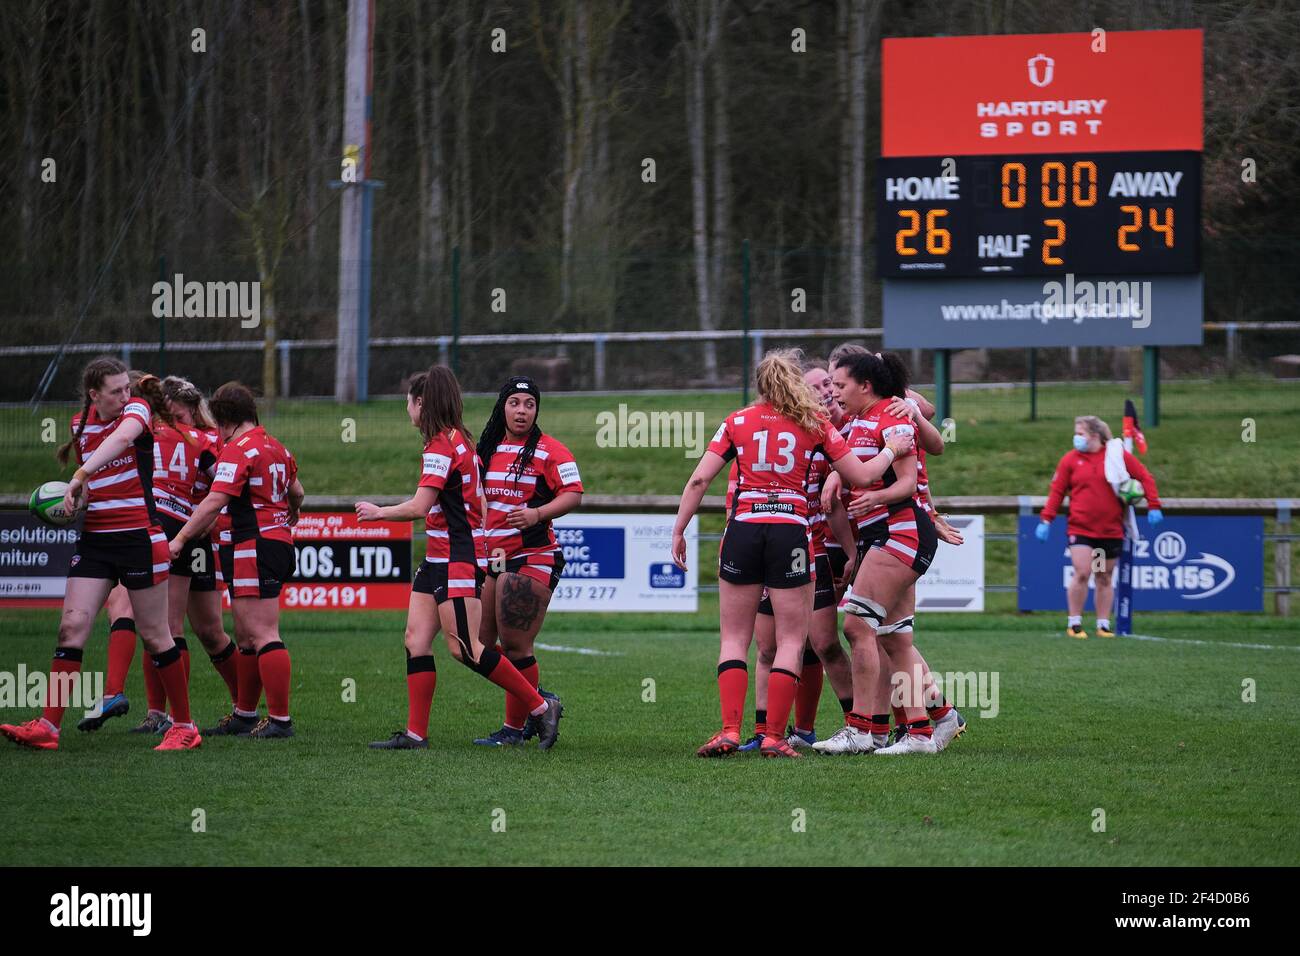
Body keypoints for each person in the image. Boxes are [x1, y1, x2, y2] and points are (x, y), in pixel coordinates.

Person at [670, 348, 912, 759]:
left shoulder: (736, 421)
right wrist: (892, 449)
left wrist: (678, 530)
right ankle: (775, 737)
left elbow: (698, 481)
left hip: (744, 529)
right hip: (790, 532)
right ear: (795, 382)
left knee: (733, 637)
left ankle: (730, 730)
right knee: (790, 640)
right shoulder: (813, 421)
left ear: (760, 384)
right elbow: (864, 476)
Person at [1, 357, 200, 751]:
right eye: (115, 391)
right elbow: (95, 483)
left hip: (139, 539)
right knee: (71, 628)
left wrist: (78, 477)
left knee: (155, 633)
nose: (125, 395)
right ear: (94, 395)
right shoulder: (80, 424)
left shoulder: (137, 411)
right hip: (95, 540)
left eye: (127, 387)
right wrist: (75, 500)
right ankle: (48, 727)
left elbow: (122, 441)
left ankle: (184, 727)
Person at [359, 367, 562, 750]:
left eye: (409, 401)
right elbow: (478, 502)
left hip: (455, 557)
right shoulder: (462, 441)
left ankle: (540, 705)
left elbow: (421, 505)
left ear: (421, 403)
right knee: (415, 639)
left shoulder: (441, 445)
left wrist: (379, 513)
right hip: (440, 555)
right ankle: (415, 734)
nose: (407, 408)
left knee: (466, 648)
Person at [811, 351, 943, 755]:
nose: (834, 393)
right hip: (882, 533)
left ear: (865, 385)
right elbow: (853, 462)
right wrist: (836, 474)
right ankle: (920, 732)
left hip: (899, 530)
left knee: (856, 627)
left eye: (840, 385)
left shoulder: (892, 414)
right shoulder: (857, 421)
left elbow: (907, 483)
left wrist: (875, 499)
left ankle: (861, 729)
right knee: (895, 638)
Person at [167, 382, 302, 738]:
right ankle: (244, 714)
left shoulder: (239, 449)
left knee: (261, 632)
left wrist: (180, 538)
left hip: (253, 545)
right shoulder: (276, 446)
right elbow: (297, 491)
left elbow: (214, 500)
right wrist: (293, 512)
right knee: (244, 633)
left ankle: (280, 721)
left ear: (224, 418)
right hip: (273, 542)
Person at [472, 377, 582, 747]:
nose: (522, 411)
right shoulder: (486, 448)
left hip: (532, 555)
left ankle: (514, 730)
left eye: (529, 404)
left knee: (517, 645)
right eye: (515, 403)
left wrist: (537, 515)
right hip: (494, 558)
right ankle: (539, 699)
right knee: (479, 643)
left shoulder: (550, 450)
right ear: (502, 406)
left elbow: (573, 494)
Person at [1034, 414, 1163, 638]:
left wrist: (1154, 505)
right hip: (1081, 529)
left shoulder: (1115, 456)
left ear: (1094, 436)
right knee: (1083, 571)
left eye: (1080, 433)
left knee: (1103, 575)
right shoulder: (1071, 460)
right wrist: (1046, 519)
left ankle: (1103, 624)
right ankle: (1074, 623)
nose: (1076, 437)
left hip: (1109, 530)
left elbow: (1144, 476)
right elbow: (1057, 491)